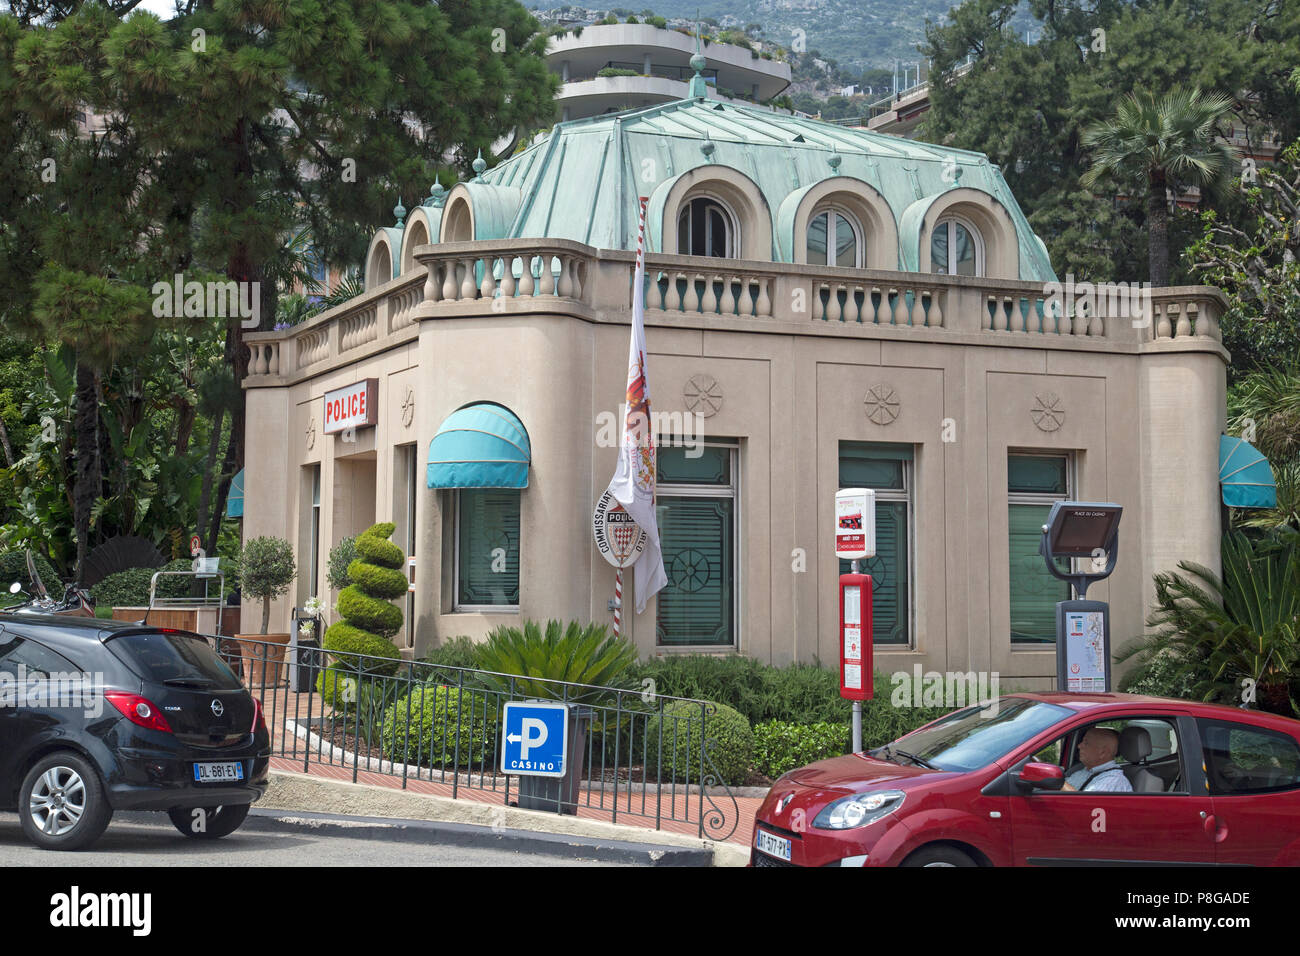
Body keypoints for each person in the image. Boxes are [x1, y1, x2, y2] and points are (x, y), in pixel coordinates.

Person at [1061, 727, 1132, 792]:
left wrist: (1058, 783)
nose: (1079, 746)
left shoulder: (1113, 781)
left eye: (1086, 743)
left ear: (1102, 753)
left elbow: (1083, 803)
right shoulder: (1083, 771)